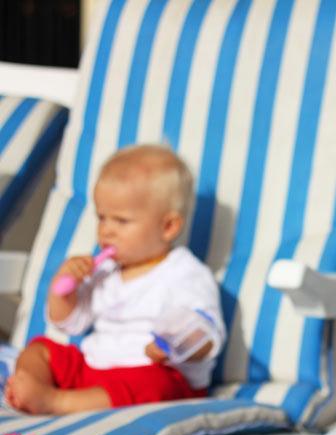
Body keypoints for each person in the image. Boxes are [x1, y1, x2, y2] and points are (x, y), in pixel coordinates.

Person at [5, 144, 225, 415]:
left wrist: (175, 343)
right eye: (102, 217)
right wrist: (63, 291)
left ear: (168, 227)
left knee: (156, 385)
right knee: (41, 348)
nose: (106, 230)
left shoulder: (184, 273)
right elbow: (71, 323)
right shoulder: (106, 270)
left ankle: (55, 402)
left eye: (121, 221)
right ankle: (31, 386)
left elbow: (206, 333)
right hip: (94, 369)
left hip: (150, 374)